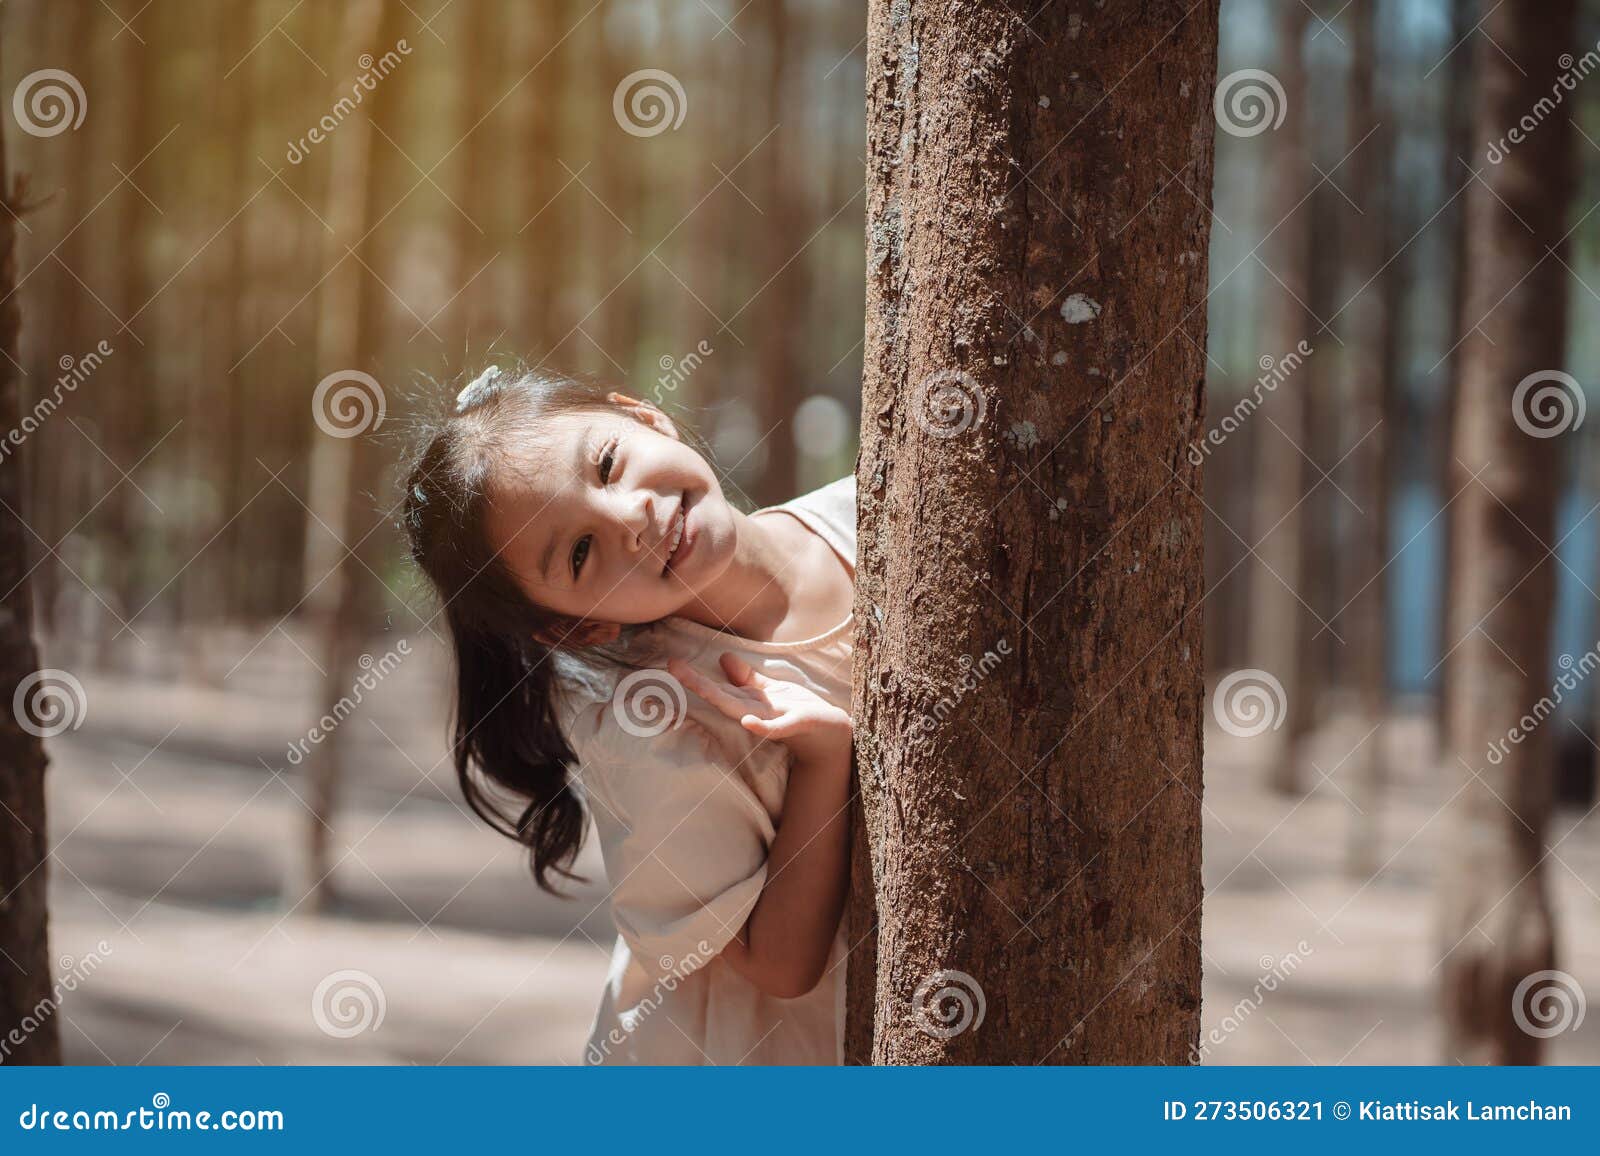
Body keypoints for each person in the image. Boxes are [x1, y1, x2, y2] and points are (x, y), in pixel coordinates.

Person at [402, 365, 856, 1064]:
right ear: (579, 629)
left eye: (608, 465)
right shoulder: (657, 732)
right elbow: (778, 964)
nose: (631, 520)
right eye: (582, 552)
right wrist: (824, 765)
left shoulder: (865, 509)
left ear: (644, 415)